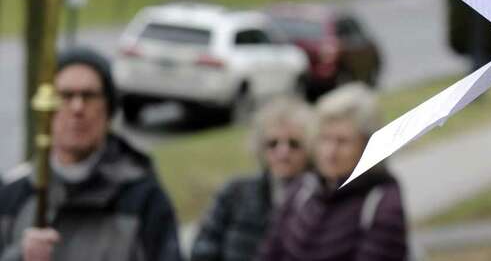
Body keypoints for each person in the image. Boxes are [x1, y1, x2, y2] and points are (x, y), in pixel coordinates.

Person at [0, 47, 182, 261]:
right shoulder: (14, 195)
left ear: (108, 110)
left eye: (89, 96)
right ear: (47, 110)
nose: (77, 108)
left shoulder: (142, 199)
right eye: (66, 95)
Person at [258, 83, 407, 261]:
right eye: (325, 139)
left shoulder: (380, 200)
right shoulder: (301, 191)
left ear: (367, 146)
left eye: (342, 142)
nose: (330, 152)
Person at [190, 96, 315, 261]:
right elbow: (203, 249)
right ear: (260, 147)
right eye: (272, 144)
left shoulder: (318, 198)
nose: (283, 152)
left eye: (294, 144)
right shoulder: (235, 191)